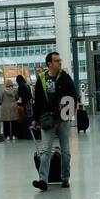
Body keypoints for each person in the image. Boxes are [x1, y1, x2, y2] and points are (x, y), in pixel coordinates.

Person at [31, 51, 77, 191]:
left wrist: (71, 111)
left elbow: (74, 96)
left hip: (63, 119)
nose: (60, 63)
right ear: (49, 63)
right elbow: (37, 100)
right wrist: (35, 118)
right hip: (47, 119)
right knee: (45, 151)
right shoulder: (42, 79)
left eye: (60, 60)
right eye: (56, 61)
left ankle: (65, 178)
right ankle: (43, 180)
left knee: (66, 151)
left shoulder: (65, 77)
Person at [15, 74, 33, 139]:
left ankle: (26, 134)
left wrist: (20, 104)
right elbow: (30, 95)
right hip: (29, 103)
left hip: (24, 105)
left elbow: (20, 96)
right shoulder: (27, 85)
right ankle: (30, 134)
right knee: (30, 118)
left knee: (25, 120)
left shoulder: (21, 86)